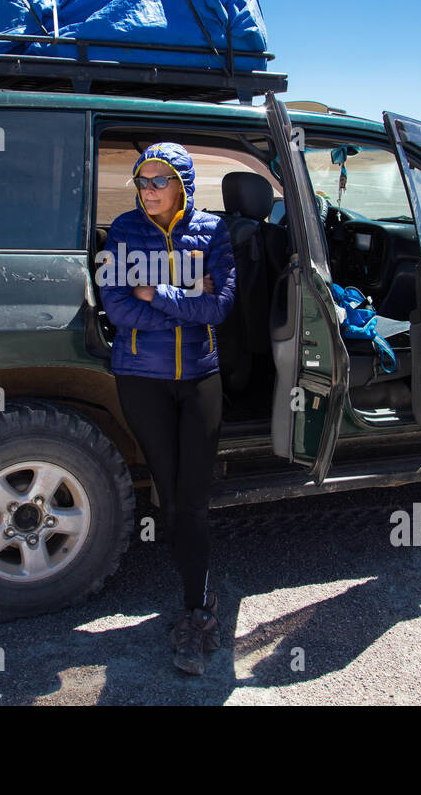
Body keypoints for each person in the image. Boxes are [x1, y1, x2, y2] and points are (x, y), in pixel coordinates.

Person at [99, 142, 236, 675]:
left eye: (159, 180)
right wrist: (185, 299)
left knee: (194, 497)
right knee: (171, 493)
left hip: (201, 375)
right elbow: (117, 307)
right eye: (142, 181)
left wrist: (157, 292)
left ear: (183, 183)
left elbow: (220, 305)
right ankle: (190, 590)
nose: (149, 190)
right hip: (143, 379)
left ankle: (199, 609)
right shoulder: (124, 232)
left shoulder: (212, 231)